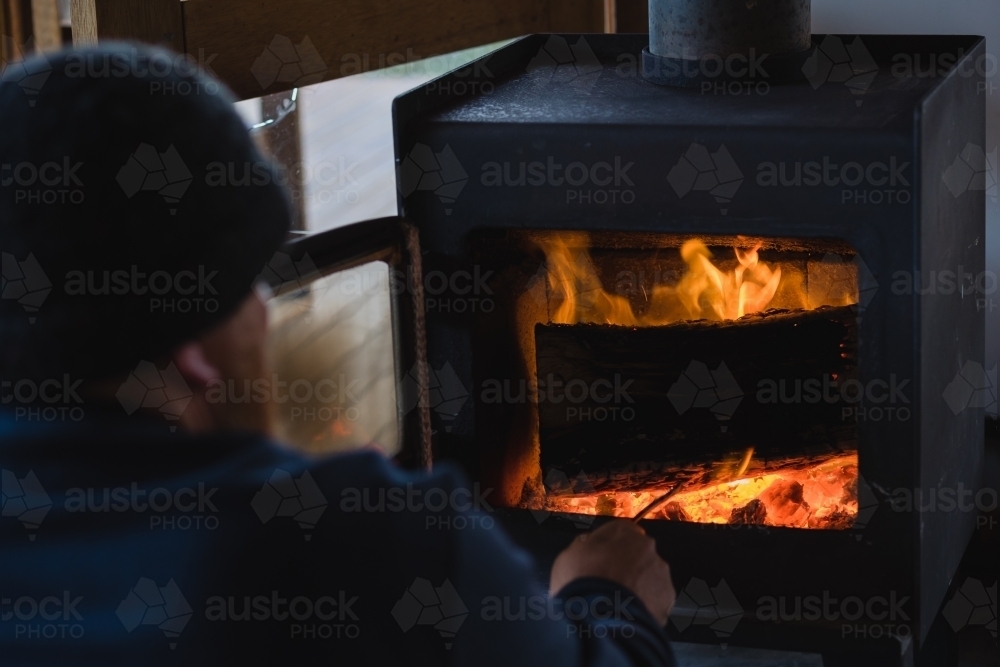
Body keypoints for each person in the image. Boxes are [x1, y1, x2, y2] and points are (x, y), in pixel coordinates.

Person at [0, 44, 677, 666]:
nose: (267, 314)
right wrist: (609, 603)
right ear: (195, 356)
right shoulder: (366, 547)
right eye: (252, 288)